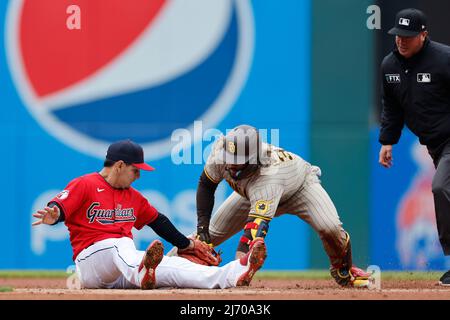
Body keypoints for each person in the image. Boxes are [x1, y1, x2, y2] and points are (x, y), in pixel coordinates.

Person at [32, 139, 267, 289]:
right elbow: (60, 206)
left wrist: (185, 244)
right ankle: (142, 269)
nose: (139, 176)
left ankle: (234, 273)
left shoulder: (133, 197)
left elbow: (158, 221)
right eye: (136, 170)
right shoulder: (85, 184)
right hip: (91, 264)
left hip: (124, 267)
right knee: (120, 243)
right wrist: (55, 215)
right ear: (119, 166)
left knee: (172, 268)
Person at [170, 124, 372, 288]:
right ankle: (165, 265)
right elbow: (206, 185)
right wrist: (202, 228)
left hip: (300, 188)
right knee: (208, 236)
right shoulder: (220, 152)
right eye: (229, 159)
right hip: (251, 194)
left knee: (330, 227)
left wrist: (241, 267)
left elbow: (253, 233)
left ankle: (342, 267)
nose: (230, 165)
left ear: (253, 159)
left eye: (237, 162)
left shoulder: (269, 173)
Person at [378, 8, 450, 286]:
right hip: (434, 144)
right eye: (398, 35)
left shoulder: (443, 59)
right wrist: (387, 140)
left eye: (408, 36)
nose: (401, 41)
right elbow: (392, 108)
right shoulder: (390, 66)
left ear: (424, 35)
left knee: (441, 186)